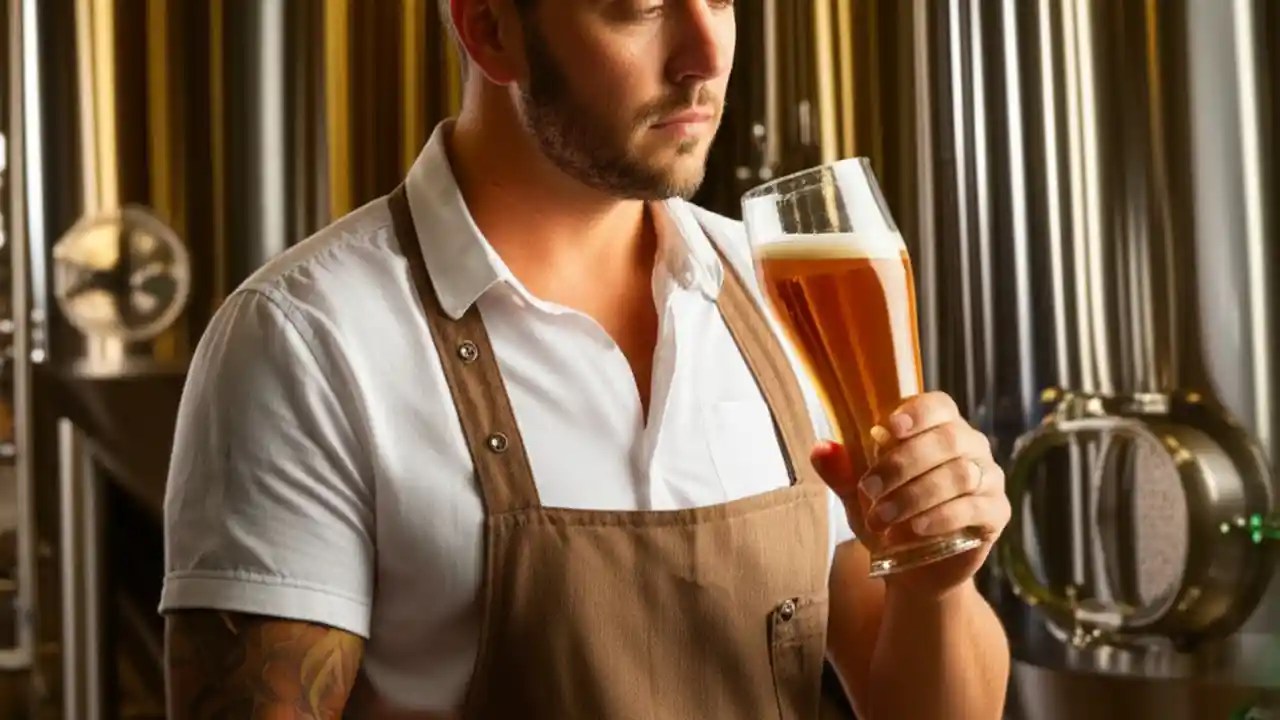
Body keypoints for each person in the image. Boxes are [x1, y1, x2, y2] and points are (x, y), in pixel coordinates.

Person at [160, 0, 1013, 717]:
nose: (706, 56)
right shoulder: (305, 340)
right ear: (491, 29)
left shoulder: (778, 290)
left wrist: (935, 586)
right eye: (639, 6)